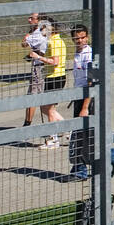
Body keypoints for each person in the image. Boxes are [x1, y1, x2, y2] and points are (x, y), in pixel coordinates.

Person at [35, 19, 68, 149]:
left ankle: (53, 139)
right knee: (45, 108)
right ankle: (68, 129)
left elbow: (55, 62)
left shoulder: (55, 42)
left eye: (43, 28)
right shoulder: (52, 41)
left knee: (49, 110)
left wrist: (39, 58)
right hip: (51, 77)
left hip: (56, 77)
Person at [67, 25, 94, 179]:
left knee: (85, 135)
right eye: (77, 38)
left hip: (87, 98)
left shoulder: (88, 54)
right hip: (78, 96)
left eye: (83, 37)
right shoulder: (77, 53)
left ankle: (111, 158)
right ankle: (79, 168)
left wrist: (85, 107)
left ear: (87, 37)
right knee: (79, 135)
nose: (80, 40)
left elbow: (91, 81)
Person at [21, 12, 46, 127]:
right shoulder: (44, 31)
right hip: (39, 65)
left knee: (33, 94)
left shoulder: (38, 34)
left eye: (32, 18)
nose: (29, 20)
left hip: (39, 66)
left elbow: (24, 43)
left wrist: (26, 37)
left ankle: (27, 124)